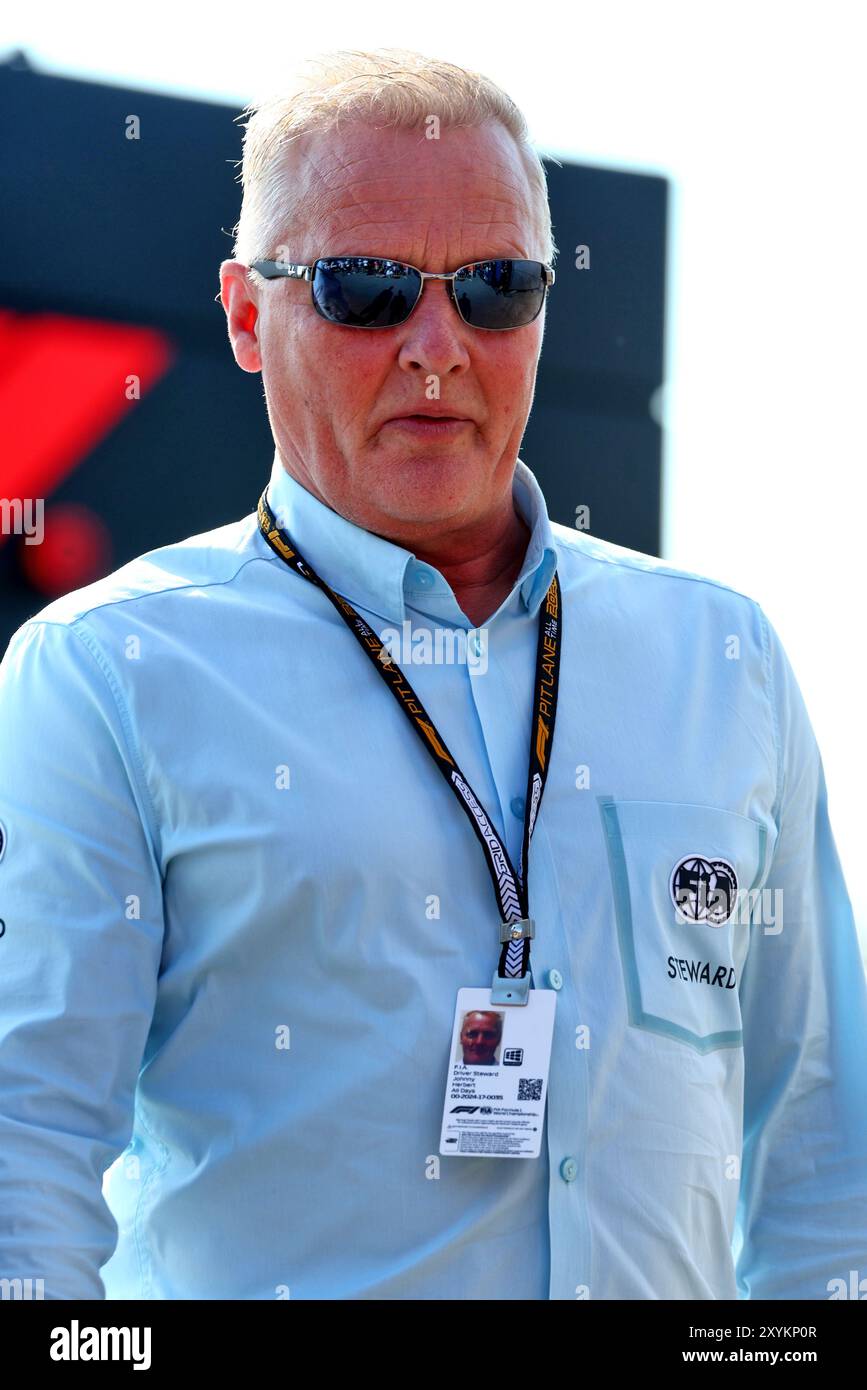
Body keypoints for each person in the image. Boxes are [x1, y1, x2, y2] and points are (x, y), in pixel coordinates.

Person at [1, 48, 866, 1302]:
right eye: (366, 287)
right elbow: (24, 1162)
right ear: (247, 317)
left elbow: (824, 1155)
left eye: (496, 288)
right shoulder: (106, 676)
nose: (437, 345)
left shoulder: (723, 662)